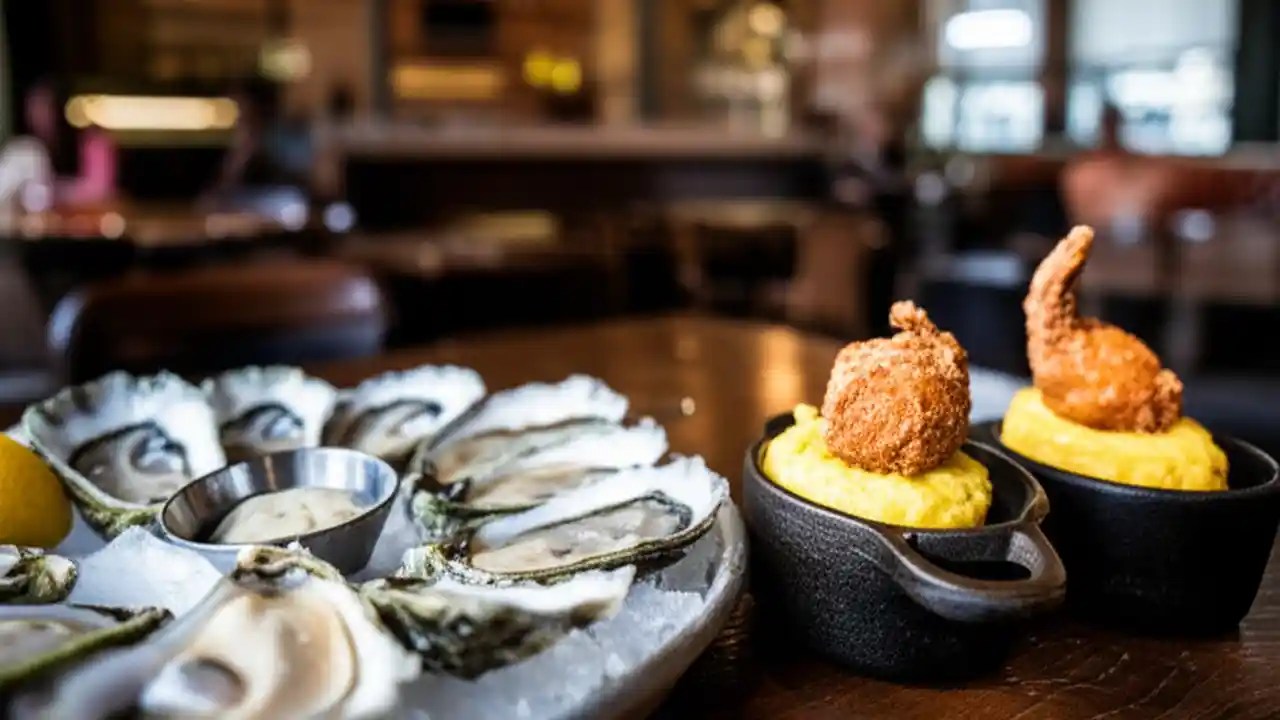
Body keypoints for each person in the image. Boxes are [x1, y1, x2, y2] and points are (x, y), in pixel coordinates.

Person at [0, 80, 117, 211]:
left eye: (45, 107)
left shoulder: (94, 142)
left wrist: (53, 191)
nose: (38, 116)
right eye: (33, 108)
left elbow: (99, 192)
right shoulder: (28, 149)